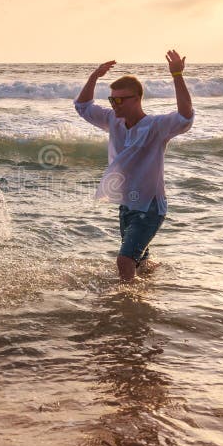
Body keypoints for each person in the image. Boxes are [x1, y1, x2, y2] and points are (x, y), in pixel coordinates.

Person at [74, 50, 194, 282]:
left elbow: (185, 117)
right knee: (141, 264)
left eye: (120, 99)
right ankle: (161, 285)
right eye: (112, 99)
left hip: (150, 207)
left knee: (125, 261)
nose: (114, 104)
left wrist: (177, 74)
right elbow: (82, 106)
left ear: (137, 99)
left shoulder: (156, 127)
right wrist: (94, 77)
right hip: (127, 204)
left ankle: (127, 308)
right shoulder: (112, 120)